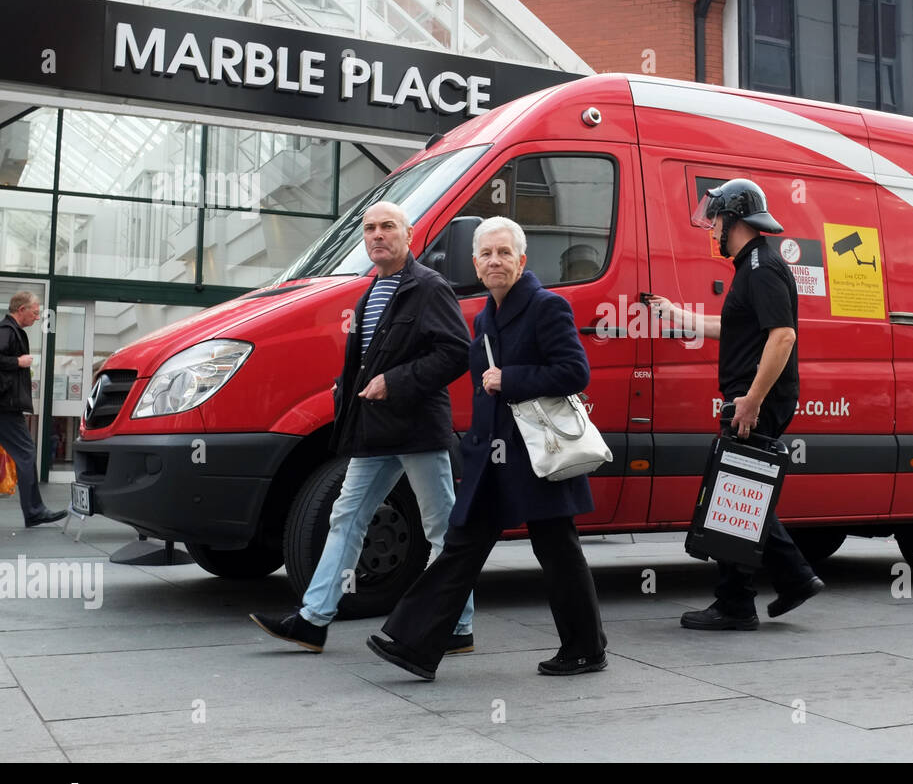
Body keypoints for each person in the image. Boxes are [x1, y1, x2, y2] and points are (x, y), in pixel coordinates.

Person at [367, 216, 608, 680]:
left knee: (558, 552)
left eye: (504, 253)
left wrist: (511, 378)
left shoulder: (546, 307)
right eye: (486, 254)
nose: (495, 261)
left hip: (536, 456)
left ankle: (585, 649)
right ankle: (415, 645)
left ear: (521, 260)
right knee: (460, 547)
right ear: (476, 264)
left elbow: (574, 372)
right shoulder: (484, 316)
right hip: (493, 460)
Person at [251, 201, 473, 653]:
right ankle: (313, 621)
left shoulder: (429, 288)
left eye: (387, 227)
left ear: (408, 234)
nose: (377, 235)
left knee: (440, 529)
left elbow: (455, 353)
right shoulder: (368, 293)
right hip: (374, 431)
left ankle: (458, 626)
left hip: (417, 430)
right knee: (346, 516)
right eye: (370, 228)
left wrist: (395, 382)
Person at [647, 178, 823, 631]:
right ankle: (787, 582)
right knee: (742, 492)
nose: (712, 231)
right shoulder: (752, 266)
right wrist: (676, 315)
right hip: (752, 397)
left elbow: (782, 336)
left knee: (736, 492)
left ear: (733, 220)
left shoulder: (762, 268)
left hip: (756, 398)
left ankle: (739, 603)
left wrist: (751, 402)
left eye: (716, 221)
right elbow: (738, 330)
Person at [0, 292, 66, 528]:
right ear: (21, 310)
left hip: (6, 406)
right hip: (5, 408)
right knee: (26, 454)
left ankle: (34, 511)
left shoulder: (11, 331)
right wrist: (18, 362)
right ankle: (34, 511)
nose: (38, 317)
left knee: (25, 454)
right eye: (35, 312)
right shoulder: (7, 331)